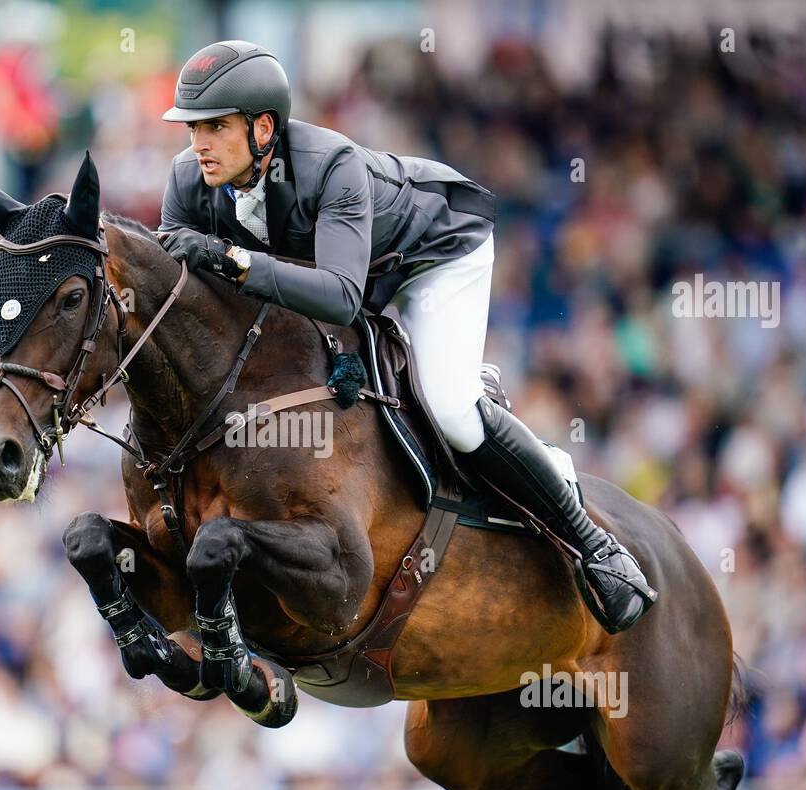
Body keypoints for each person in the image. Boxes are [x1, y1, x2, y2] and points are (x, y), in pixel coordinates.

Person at [157, 40, 656, 633]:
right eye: (193, 128)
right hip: (351, 282)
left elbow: (339, 293)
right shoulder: (189, 179)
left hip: (431, 259)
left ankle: (593, 545)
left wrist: (232, 258)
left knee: (449, 407)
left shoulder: (330, 165)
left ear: (263, 127)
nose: (198, 144)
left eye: (215, 127)